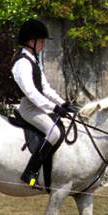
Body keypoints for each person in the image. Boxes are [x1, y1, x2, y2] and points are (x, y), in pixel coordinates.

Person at [12, 18, 74, 188]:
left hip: (38, 105)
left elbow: (45, 88)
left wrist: (64, 104)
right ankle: (30, 173)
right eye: (41, 42)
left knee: (63, 126)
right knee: (53, 134)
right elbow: (31, 92)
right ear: (31, 41)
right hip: (29, 107)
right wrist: (53, 107)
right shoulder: (22, 63)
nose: (43, 45)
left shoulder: (33, 60)